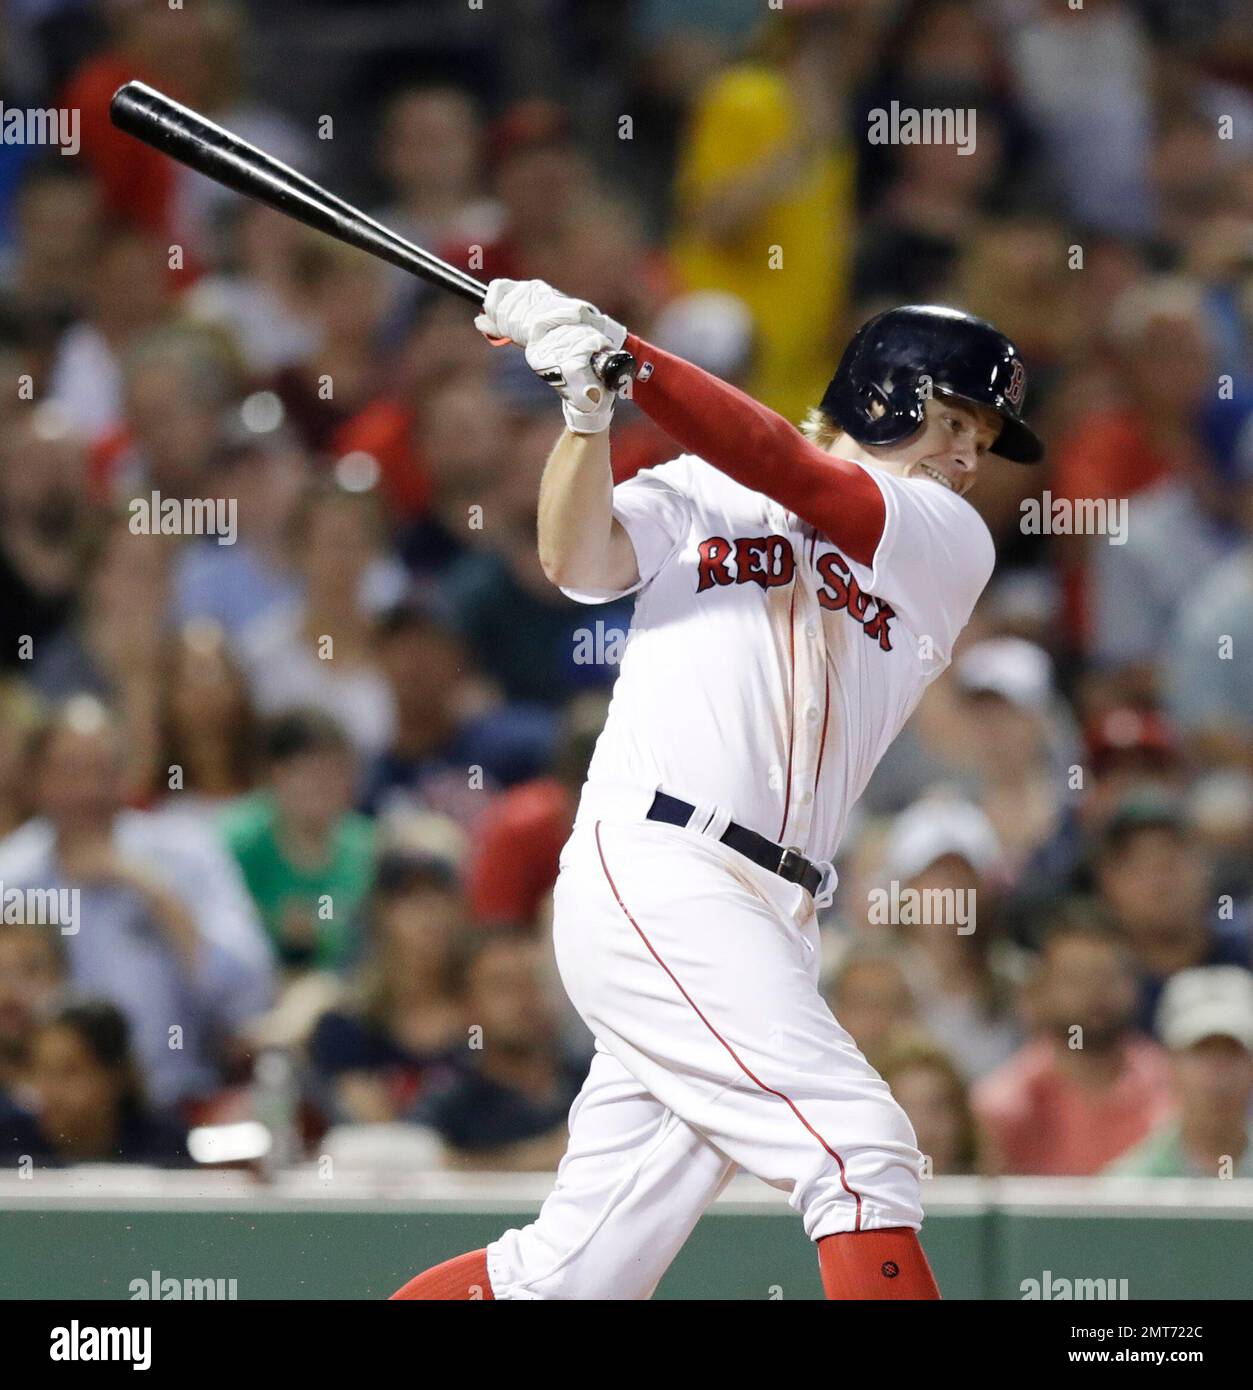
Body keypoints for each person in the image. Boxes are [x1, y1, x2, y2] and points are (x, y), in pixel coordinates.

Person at [391, 273, 1045, 1300]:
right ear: (885, 393)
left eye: (983, 436)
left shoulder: (943, 539)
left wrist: (628, 356)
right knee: (860, 1153)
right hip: (657, 861)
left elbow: (796, 471)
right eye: (956, 420)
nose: (968, 457)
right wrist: (585, 410)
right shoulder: (699, 485)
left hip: (771, 908)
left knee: (568, 1280)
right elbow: (576, 560)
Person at [0, 696, 273, 1110]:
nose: (88, 791)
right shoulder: (10, 877)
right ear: (36, 780)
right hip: (45, 1115)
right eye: (69, 772)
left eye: (103, 771)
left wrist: (150, 888)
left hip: (179, 1102)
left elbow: (250, 995)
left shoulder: (185, 852)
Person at [972, 907, 1174, 1176]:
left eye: (1109, 977)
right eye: (1077, 979)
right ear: (1040, 991)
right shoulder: (1004, 1104)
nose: (1095, 993)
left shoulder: (1173, 1088)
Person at [411, 934, 587, 1172]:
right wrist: (537, 1158)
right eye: (503, 987)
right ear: (468, 1007)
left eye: (536, 981)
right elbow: (419, 1169)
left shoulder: (593, 1080)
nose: (525, 999)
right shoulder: (450, 1102)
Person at [0, 1000, 190, 1168]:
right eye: (41, 1072)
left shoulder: (164, 1146)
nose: (49, 1091)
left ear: (115, 1077)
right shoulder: (10, 1144)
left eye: (68, 1072)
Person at [1106, 966, 1253, 1179]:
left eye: (1233, 1051)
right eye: (1200, 1051)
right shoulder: (1128, 1186)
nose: (1217, 1070)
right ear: (1170, 1062)